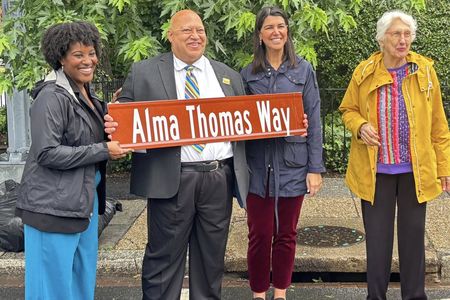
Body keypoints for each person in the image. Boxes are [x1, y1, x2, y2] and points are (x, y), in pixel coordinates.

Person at [104, 9, 249, 300]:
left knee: (211, 261)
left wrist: (292, 122)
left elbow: (249, 122)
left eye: (200, 30)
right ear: (171, 36)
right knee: (163, 261)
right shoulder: (144, 72)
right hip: (172, 180)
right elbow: (124, 121)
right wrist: (113, 125)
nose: (195, 36)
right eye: (187, 30)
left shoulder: (229, 76)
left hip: (218, 178)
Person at [15, 21, 131, 300]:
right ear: (60, 58)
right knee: (51, 290)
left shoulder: (85, 94)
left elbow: (86, 136)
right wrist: (104, 149)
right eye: (78, 55)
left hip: (83, 202)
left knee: (80, 284)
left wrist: (116, 115)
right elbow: (47, 153)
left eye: (91, 53)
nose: (88, 60)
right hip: (52, 208)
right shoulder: (50, 97)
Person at [339, 10, 450, 300]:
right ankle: (376, 296)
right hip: (376, 172)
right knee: (378, 242)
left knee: (413, 241)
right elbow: (348, 109)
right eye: (396, 34)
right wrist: (360, 125)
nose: (403, 40)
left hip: (416, 170)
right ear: (381, 39)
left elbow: (439, 123)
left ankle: (414, 296)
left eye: (407, 34)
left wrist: (444, 167)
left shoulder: (424, 71)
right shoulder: (364, 72)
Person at [240, 6, 325, 300]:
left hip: (293, 164)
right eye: (269, 28)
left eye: (281, 26)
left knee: (286, 234)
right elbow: (237, 122)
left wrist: (315, 168)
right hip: (257, 166)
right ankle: (259, 292)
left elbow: (314, 119)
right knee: (259, 235)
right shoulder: (247, 74)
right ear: (260, 36)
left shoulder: (303, 70)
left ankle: (281, 292)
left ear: (287, 31)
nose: (276, 32)